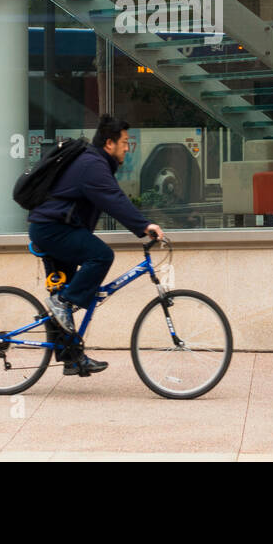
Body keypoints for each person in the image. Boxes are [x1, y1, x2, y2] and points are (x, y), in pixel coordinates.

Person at [28, 114, 164, 376]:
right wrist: (144, 226)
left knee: (63, 293)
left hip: (56, 229)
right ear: (109, 143)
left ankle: (72, 358)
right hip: (52, 230)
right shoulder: (92, 164)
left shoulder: (95, 162)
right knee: (100, 256)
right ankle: (64, 304)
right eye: (125, 142)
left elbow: (109, 198)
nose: (128, 147)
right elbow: (113, 199)